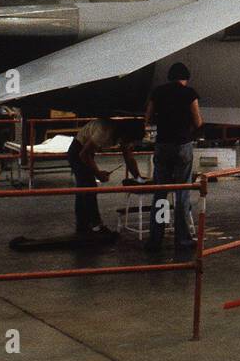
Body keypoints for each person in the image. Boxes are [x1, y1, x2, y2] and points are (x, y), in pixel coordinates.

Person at [144, 63, 202, 251]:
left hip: (162, 145)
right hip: (182, 146)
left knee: (161, 193)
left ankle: (156, 239)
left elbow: (149, 118)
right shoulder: (189, 93)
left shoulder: (158, 92)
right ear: (185, 78)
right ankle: (182, 239)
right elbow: (197, 121)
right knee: (182, 193)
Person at [66, 118, 143, 236]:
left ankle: (83, 226)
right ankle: (96, 226)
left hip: (86, 153)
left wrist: (139, 178)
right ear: (127, 134)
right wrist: (98, 173)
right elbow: (83, 154)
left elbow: (128, 156)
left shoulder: (123, 133)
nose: (130, 143)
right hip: (78, 152)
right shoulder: (105, 131)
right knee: (88, 188)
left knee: (84, 189)